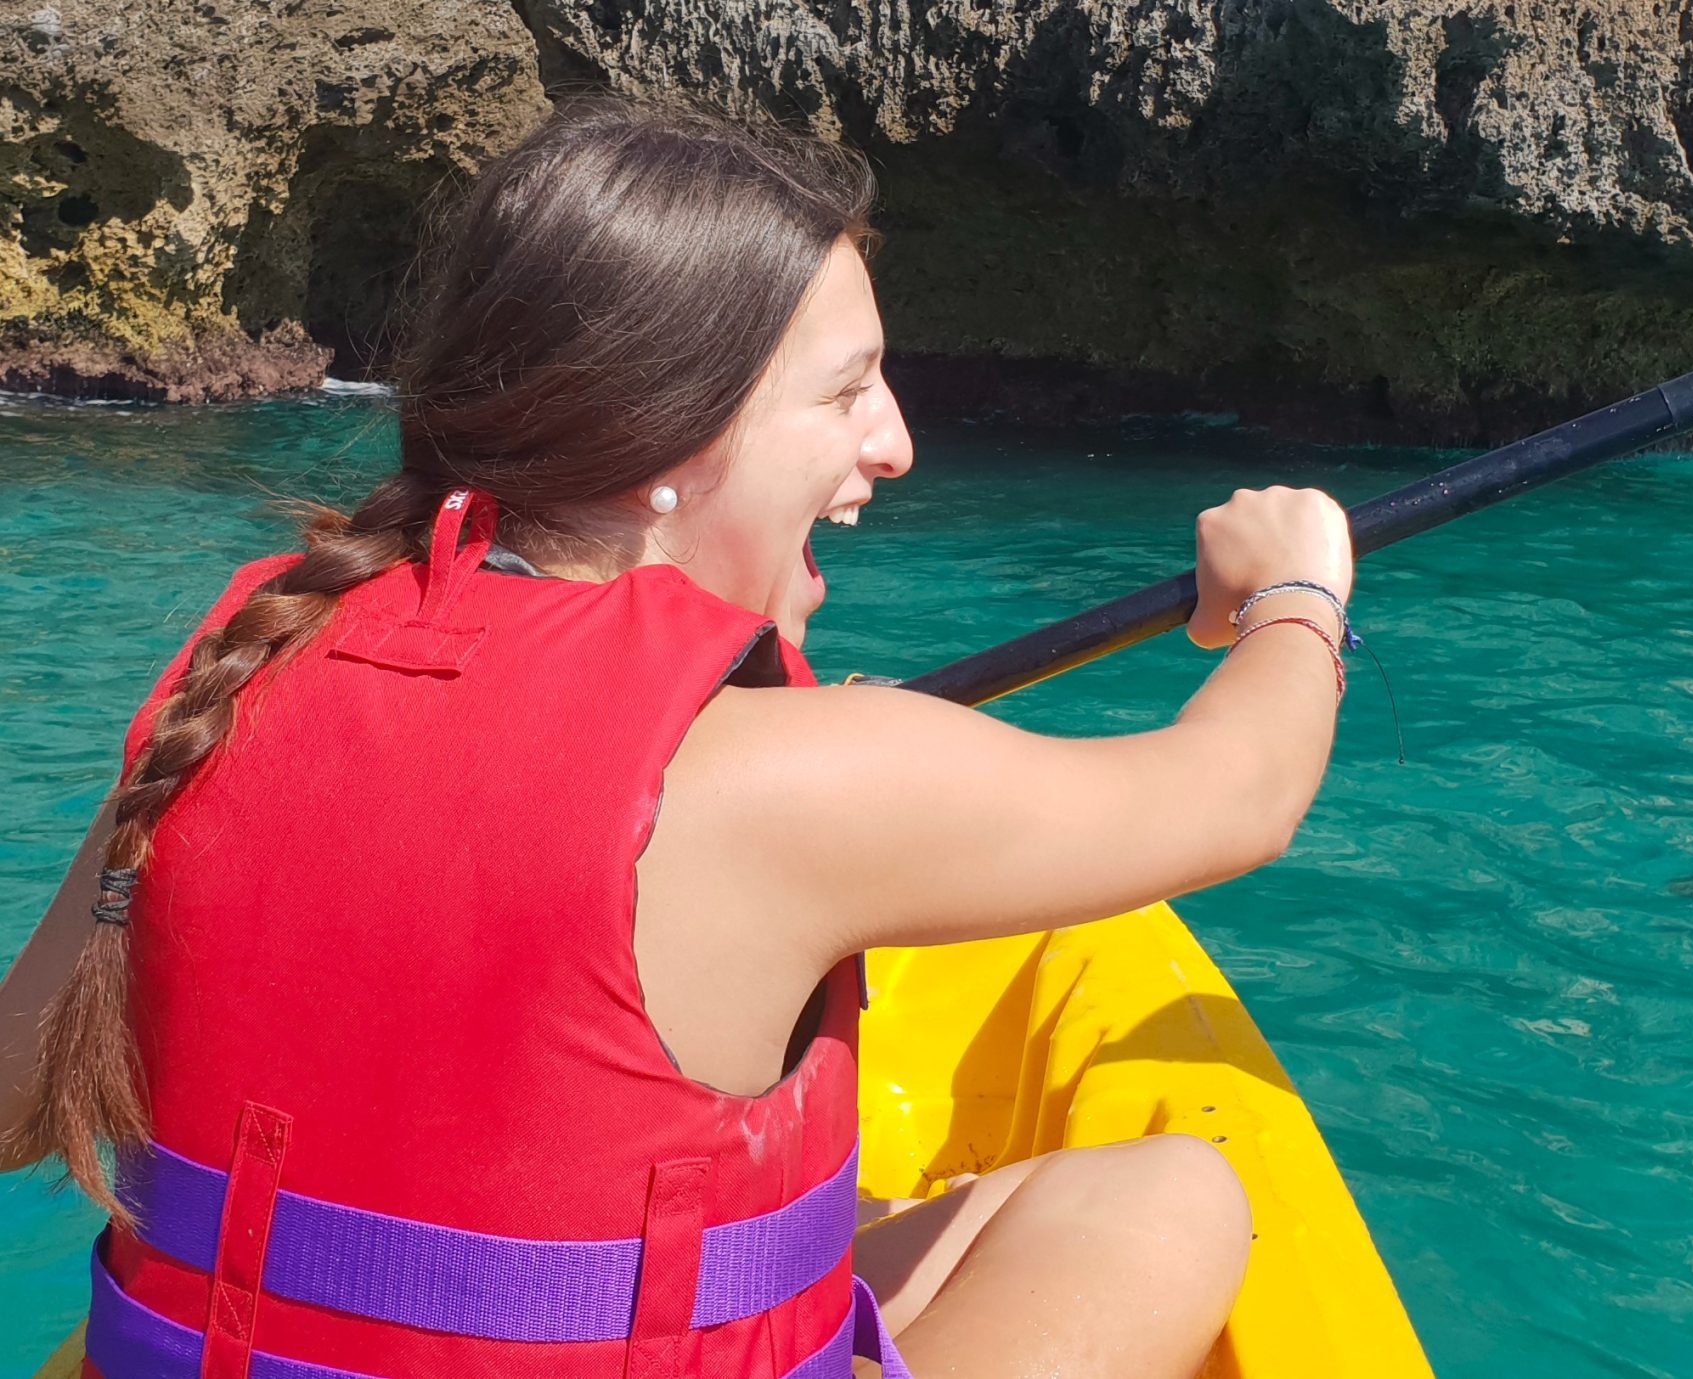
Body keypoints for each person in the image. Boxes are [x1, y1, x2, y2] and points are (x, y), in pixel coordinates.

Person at [0, 94, 1355, 1379]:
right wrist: (1298, 587)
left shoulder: (247, 660)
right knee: (1173, 1200)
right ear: (668, 436)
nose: (895, 445)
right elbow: (1239, 793)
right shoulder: (789, 781)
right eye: (846, 393)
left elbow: (18, 1097)